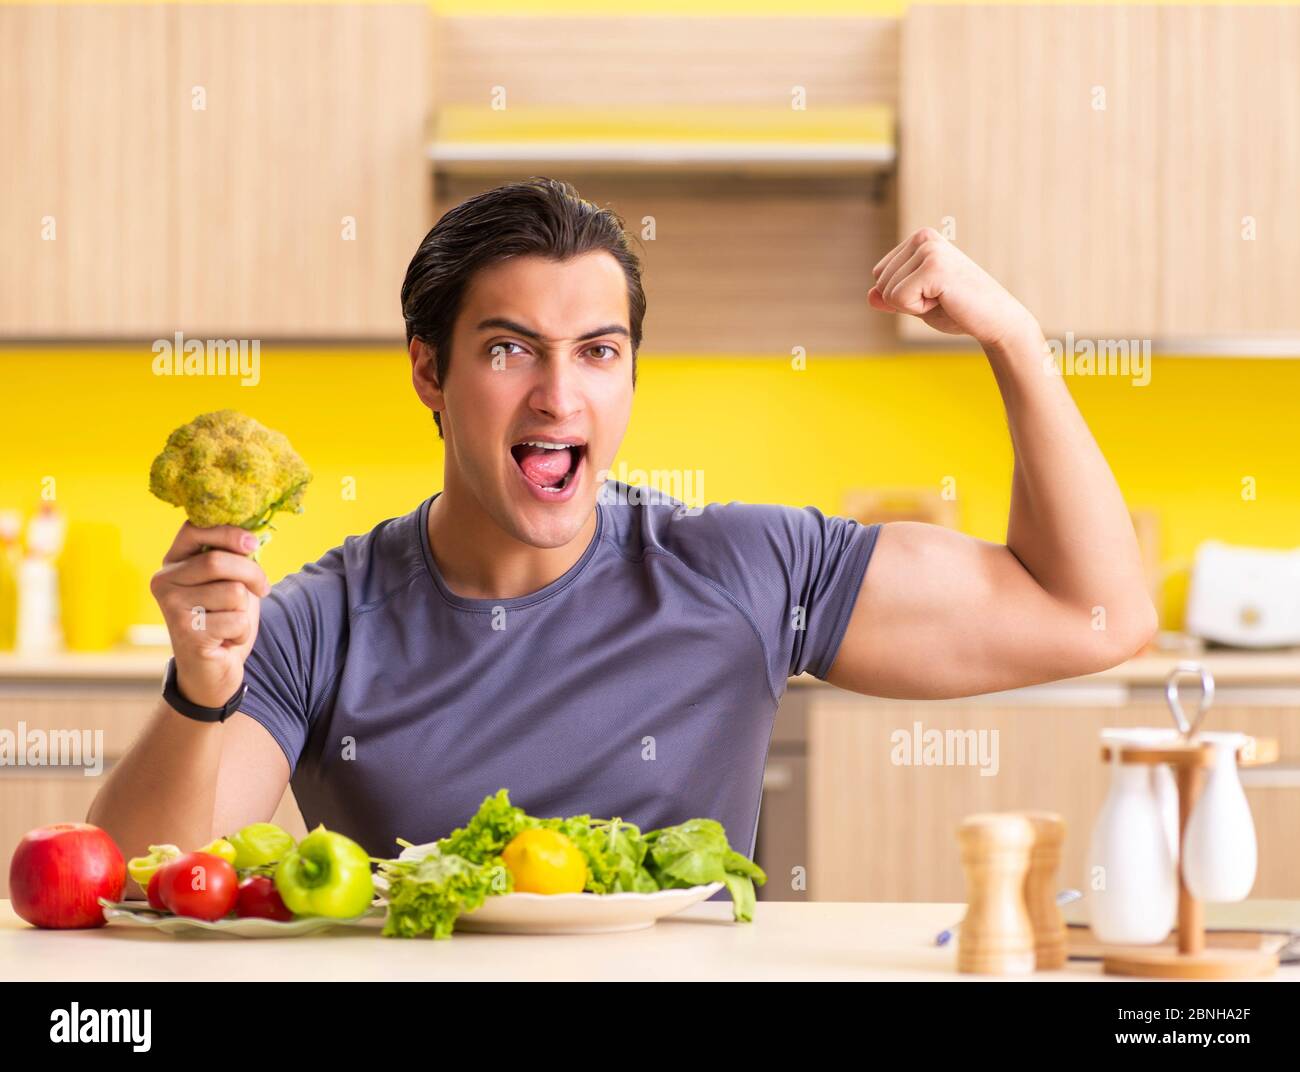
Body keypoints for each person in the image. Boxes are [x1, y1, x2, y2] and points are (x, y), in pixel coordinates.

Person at [89, 177, 1156, 872]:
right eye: (510, 349)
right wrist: (202, 684)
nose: (559, 396)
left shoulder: (744, 568)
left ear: (632, 374)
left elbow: (1092, 615)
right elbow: (134, 882)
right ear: (430, 371)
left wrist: (1014, 341)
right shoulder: (324, 618)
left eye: (597, 351)